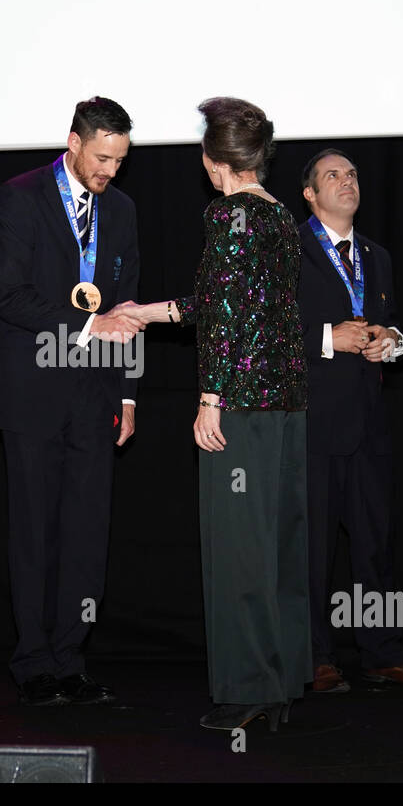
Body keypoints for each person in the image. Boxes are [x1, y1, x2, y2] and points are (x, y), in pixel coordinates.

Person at [127, 97, 310, 730]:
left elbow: (228, 315)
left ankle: (248, 689)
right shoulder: (281, 215)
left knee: (239, 550)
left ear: (214, 163)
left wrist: (211, 399)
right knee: (280, 545)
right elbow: (221, 301)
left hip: (243, 405)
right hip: (286, 404)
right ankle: (283, 680)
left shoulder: (227, 213)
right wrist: (148, 312)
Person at [0, 97, 142, 706]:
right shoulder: (18, 196)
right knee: (33, 530)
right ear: (72, 142)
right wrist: (86, 329)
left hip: (97, 395)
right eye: (102, 157)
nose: (109, 171)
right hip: (30, 392)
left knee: (86, 533)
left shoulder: (122, 209)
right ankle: (33, 661)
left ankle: (72, 658)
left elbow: (126, 307)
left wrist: (127, 393)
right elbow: (10, 297)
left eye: (120, 161)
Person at [296, 150, 403, 693]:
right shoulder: (287, 251)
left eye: (353, 174)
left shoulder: (376, 256)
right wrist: (326, 339)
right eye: (332, 176)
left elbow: (392, 326)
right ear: (310, 195)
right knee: (311, 550)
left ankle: (383, 652)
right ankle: (312, 657)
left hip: (369, 425)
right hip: (310, 426)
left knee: (374, 546)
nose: (347, 182)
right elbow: (260, 337)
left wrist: (392, 341)